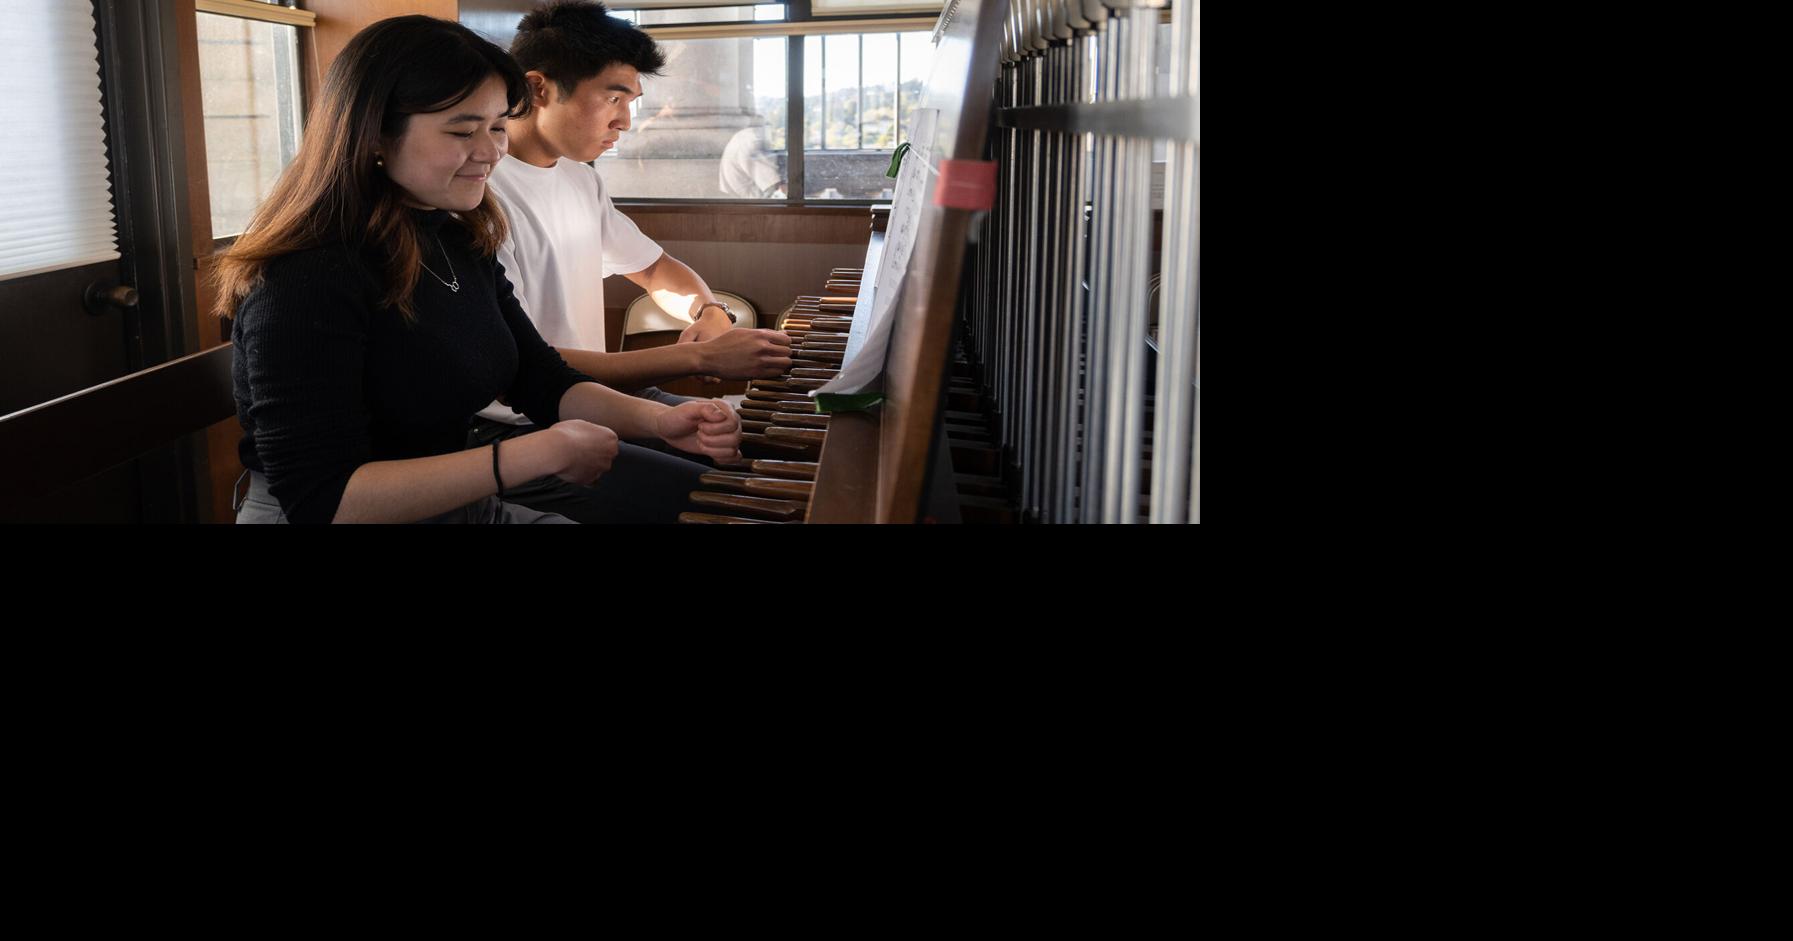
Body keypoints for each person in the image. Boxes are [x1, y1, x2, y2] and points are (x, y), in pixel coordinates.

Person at [213, 15, 740, 524]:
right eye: (463, 131)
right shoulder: (306, 277)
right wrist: (534, 454)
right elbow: (325, 501)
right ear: (374, 133)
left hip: (456, 505)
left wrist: (663, 421)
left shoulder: (457, 234)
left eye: (496, 126)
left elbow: (541, 378)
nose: (490, 152)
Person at [467, 0, 794, 523]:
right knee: (723, 495)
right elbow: (530, 362)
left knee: (762, 455)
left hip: (594, 396)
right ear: (538, 88)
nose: (625, 119)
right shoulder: (479, 192)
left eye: (633, 99)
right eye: (612, 97)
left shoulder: (580, 176)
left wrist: (707, 315)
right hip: (517, 422)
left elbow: (654, 269)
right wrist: (701, 360)